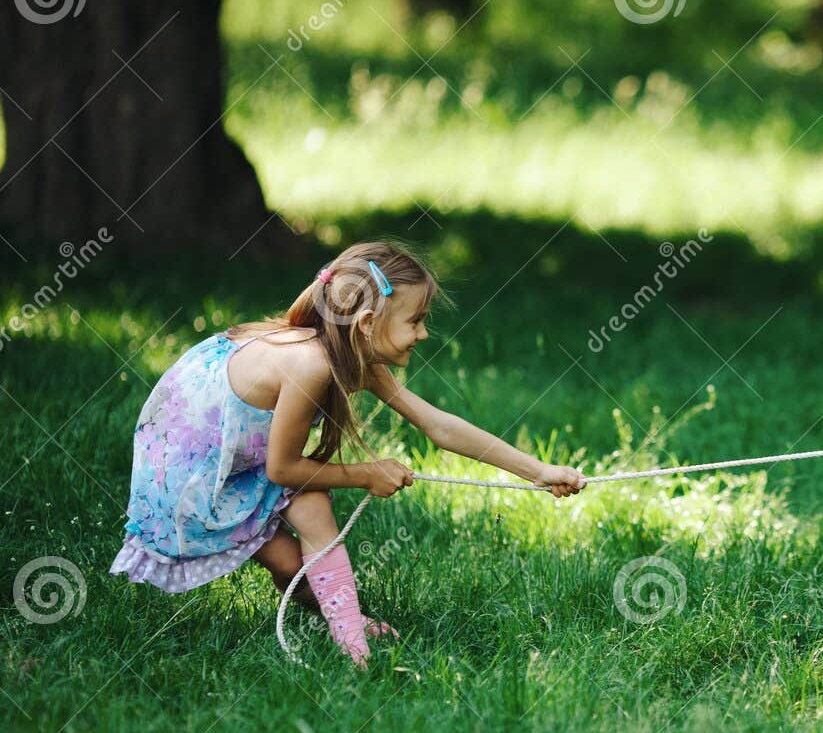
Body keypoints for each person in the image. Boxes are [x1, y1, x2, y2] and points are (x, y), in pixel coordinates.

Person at [109, 240, 585, 666]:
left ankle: (352, 642)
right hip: (199, 469)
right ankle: (351, 635)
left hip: (248, 452)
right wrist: (365, 473)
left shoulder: (354, 349)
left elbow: (439, 426)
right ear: (368, 323)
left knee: (315, 513)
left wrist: (538, 472)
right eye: (416, 321)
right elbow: (281, 467)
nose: (423, 334)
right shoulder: (311, 364)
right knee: (291, 566)